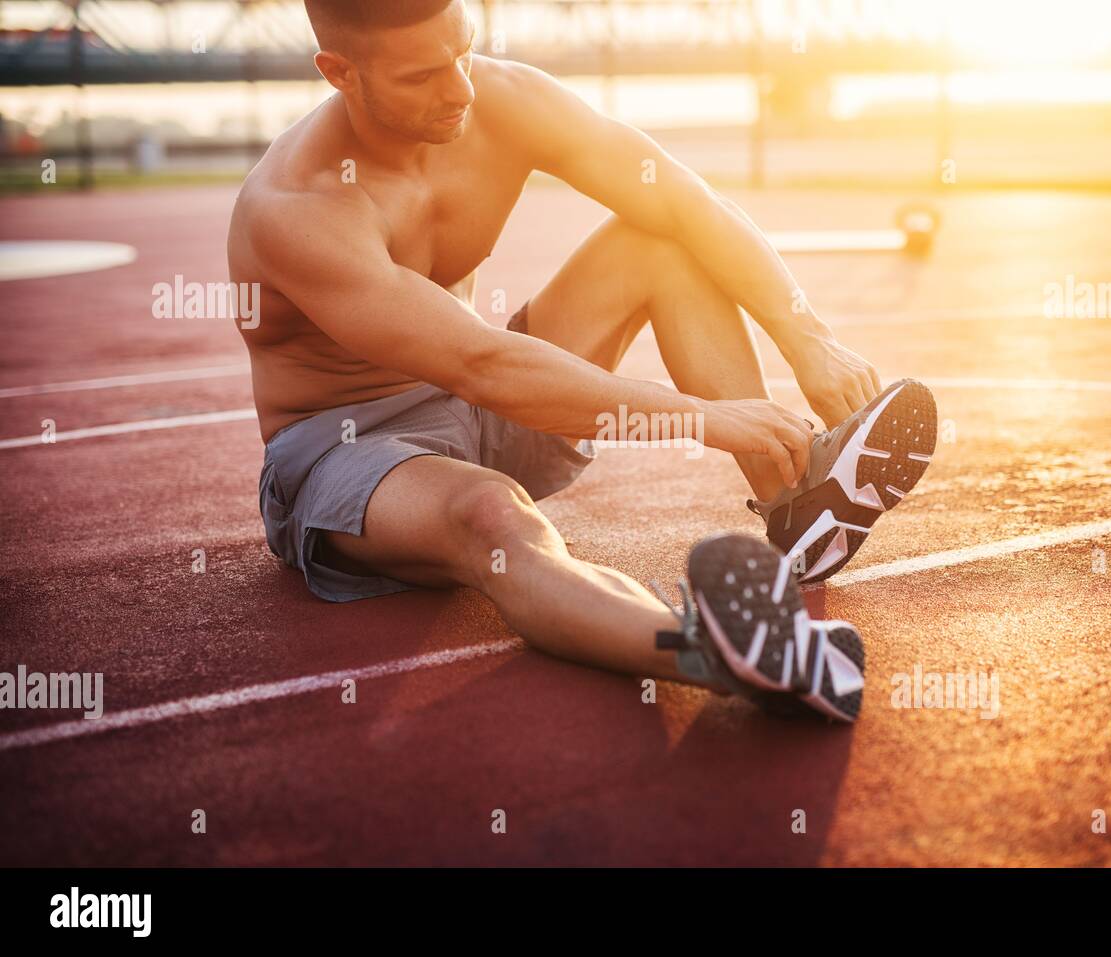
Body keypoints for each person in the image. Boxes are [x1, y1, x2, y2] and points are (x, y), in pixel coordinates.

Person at [227, 0, 936, 722]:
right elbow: (483, 362)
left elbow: (683, 197)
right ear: (339, 73)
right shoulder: (297, 208)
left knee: (658, 241)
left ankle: (794, 495)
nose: (461, 89)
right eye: (424, 75)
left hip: (482, 405)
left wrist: (807, 337)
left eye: (464, 52)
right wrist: (702, 418)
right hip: (353, 451)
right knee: (493, 517)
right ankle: (725, 654)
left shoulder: (502, 101)